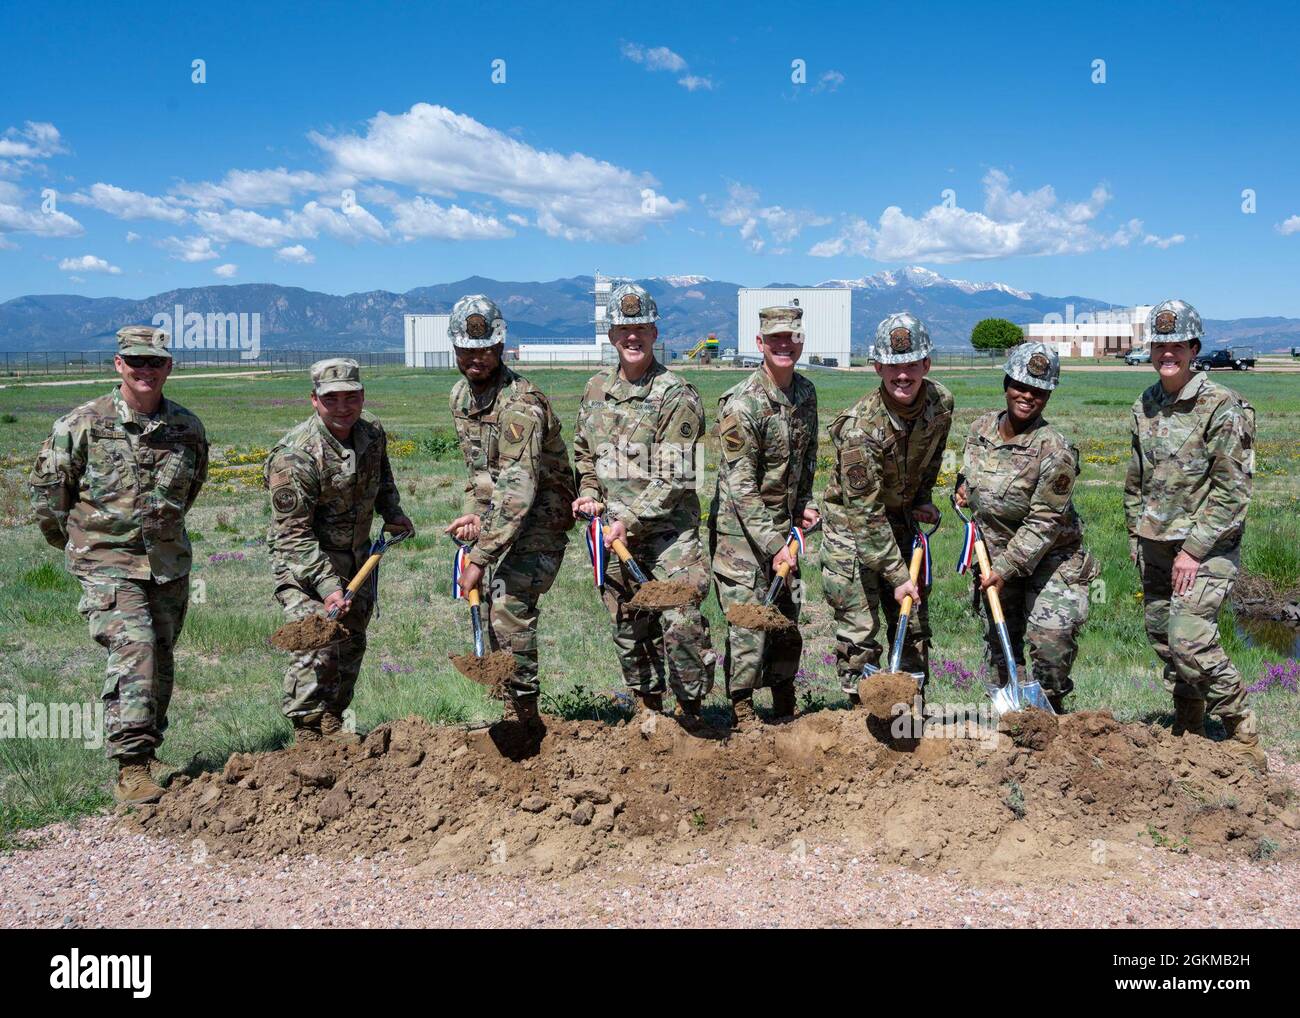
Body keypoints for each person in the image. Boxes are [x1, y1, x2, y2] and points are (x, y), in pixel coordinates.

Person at [29, 326, 208, 803]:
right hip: (105, 561)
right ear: (118, 364)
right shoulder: (82, 424)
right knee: (137, 649)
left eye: (155, 362)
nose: (145, 370)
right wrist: (81, 548)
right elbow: (50, 500)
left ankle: (148, 752)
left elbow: (189, 491)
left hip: (167, 563)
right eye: (136, 361)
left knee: (162, 660)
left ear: (169, 367)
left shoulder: (187, 428)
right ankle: (130, 766)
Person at [1124, 299, 1265, 769]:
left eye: (1177, 345)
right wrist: (1133, 536)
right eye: (1160, 345)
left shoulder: (1221, 406)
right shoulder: (1144, 404)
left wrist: (1193, 550)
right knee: (1163, 635)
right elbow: (1135, 479)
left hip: (1206, 550)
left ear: (1194, 348)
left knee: (1190, 638)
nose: (1168, 353)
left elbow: (1233, 491)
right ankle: (1188, 725)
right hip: (1156, 544)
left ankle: (1241, 730)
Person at [572, 283, 715, 717]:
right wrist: (590, 494)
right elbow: (585, 453)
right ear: (611, 334)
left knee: (681, 619)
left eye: (641, 328)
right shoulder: (595, 389)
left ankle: (693, 714)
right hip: (614, 535)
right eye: (622, 328)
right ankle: (649, 713)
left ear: (654, 332)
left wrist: (627, 519)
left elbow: (676, 476)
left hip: (670, 535)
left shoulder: (676, 395)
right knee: (628, 627)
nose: (631, 337)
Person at [264, 358, 413, 744]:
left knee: (351, 641)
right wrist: (328, 585)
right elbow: (292, 535)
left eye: (351, 397)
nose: (343, 407)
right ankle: (307, 731)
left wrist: (393, 513)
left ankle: (333, 718)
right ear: (315, 400)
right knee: (318, 640)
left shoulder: (371, 433)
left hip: (358, 558)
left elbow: (382, 479)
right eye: (332, 399)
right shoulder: (295, 456)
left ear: (362, 395)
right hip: (304, 564)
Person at [444, 295, 575, 729]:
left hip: (542, 516)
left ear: (501, 347)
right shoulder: (461, 398)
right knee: (486, 607)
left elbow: (519, 488)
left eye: (484, 350)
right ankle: (511, 707)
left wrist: (480, 557)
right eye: (466, 350)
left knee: (508, 603)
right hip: (506, 514)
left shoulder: (521, 405)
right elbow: (481, 475)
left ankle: (525, 719)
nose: (475, 359)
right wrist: (471, 514)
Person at [955, 342, 1098, 712]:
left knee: (1051, 641)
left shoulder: (1055, 451)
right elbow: (970, 474)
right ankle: (1011, 718)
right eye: (1020, 385)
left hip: (1053, 559)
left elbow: (1044, 521)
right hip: (995, 552)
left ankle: (1050, 709)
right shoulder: (981, 428)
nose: (1027, 395)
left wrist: (1004, 569)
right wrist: (962, 490)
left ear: (1048, 395)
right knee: (1002, 644)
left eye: (1038, 390)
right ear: (1006, 384)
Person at [821, 312, 953, 702]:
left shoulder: (941, 403)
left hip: (899, 520)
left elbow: (932, 454)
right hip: (852, 529)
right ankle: (860, 724)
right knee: (860, 630)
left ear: (926, 364)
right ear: (877, 366)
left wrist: (923, 497)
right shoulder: (861, 428)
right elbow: (864, 513)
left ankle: (911, 713)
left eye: (912, 364)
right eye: (893, 366)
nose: (903, 375)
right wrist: (898, 576)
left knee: (911, 627)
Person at [710, 305, 819, 728]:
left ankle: (785, 706)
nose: (783, 345)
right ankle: (741, 712)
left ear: (801, 342)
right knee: (748, 625)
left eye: (790, 338)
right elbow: (741, 488)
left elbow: (807, 461)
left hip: (784, 533)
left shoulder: (806, 394)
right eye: (774, 339)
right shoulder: (742, 404)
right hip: (742, 535)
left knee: (786, 622)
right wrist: (775, 546)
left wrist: (806, 506)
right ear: (760, 344)